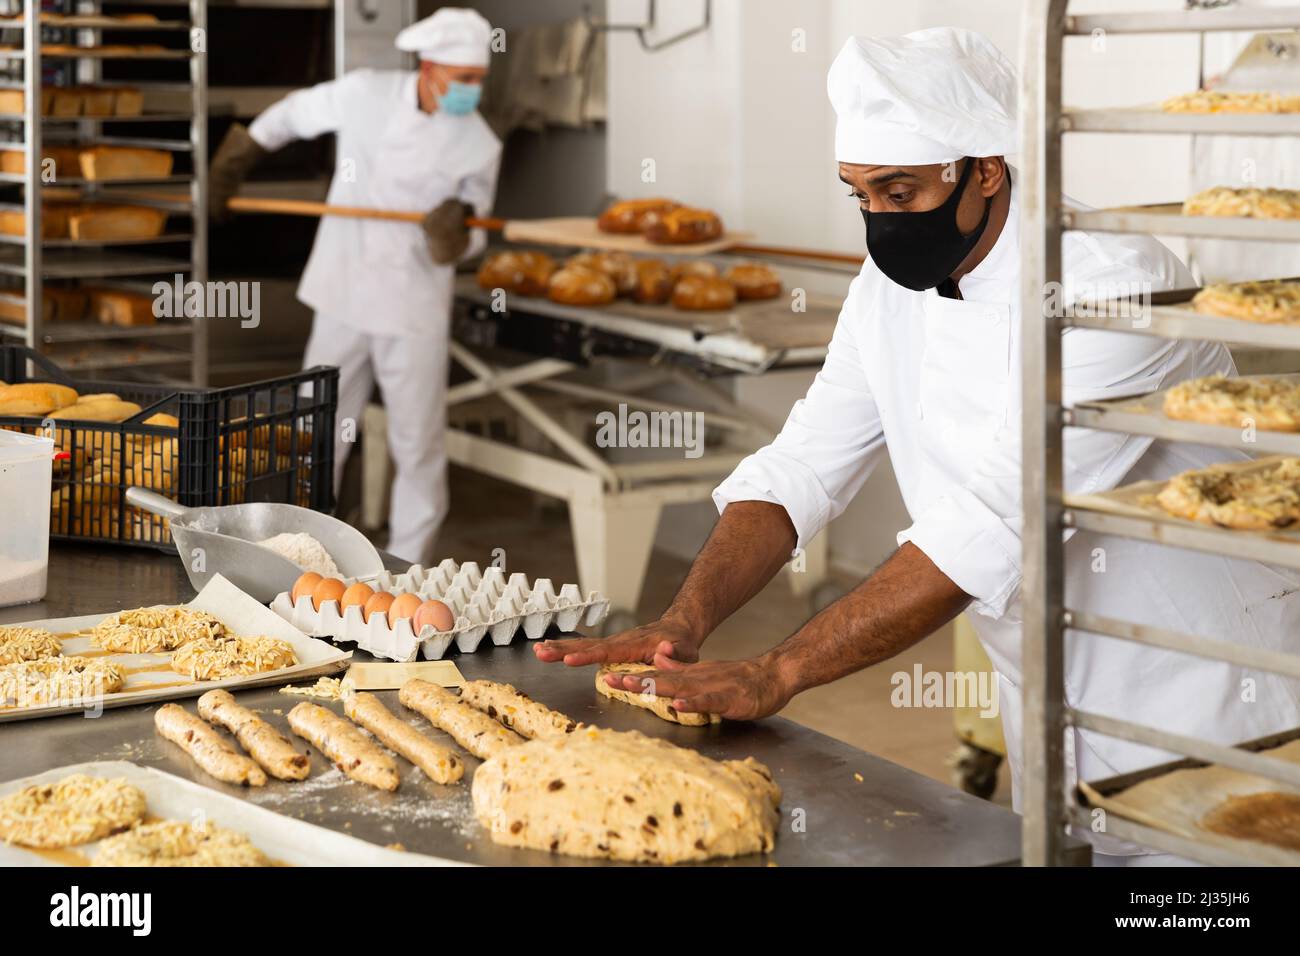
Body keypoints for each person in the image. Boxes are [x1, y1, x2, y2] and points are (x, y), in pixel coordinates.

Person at [535, 27, 1300, 865]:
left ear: (985, 170)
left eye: (899, 193)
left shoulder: (1112, 287)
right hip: (1052, 694)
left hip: (1208, 698)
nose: (879, 222)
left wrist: (778, 671)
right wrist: (686, 619)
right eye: (859, 195)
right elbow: (804, 463)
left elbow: (989, 525)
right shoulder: (888, 290)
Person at [208, 8, 502, 564]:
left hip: (414, 305)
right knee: (316, 428)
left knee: (417, 443)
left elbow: (477, 228)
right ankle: (302, 550)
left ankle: (408, 564)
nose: (471, 92)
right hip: (344, 290)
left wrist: (456, 240)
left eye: (478, 81)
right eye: (463, 79)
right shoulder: (366, 94)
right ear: (430, 67)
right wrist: (240, 154)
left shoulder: (479, 143)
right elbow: (294, 114)